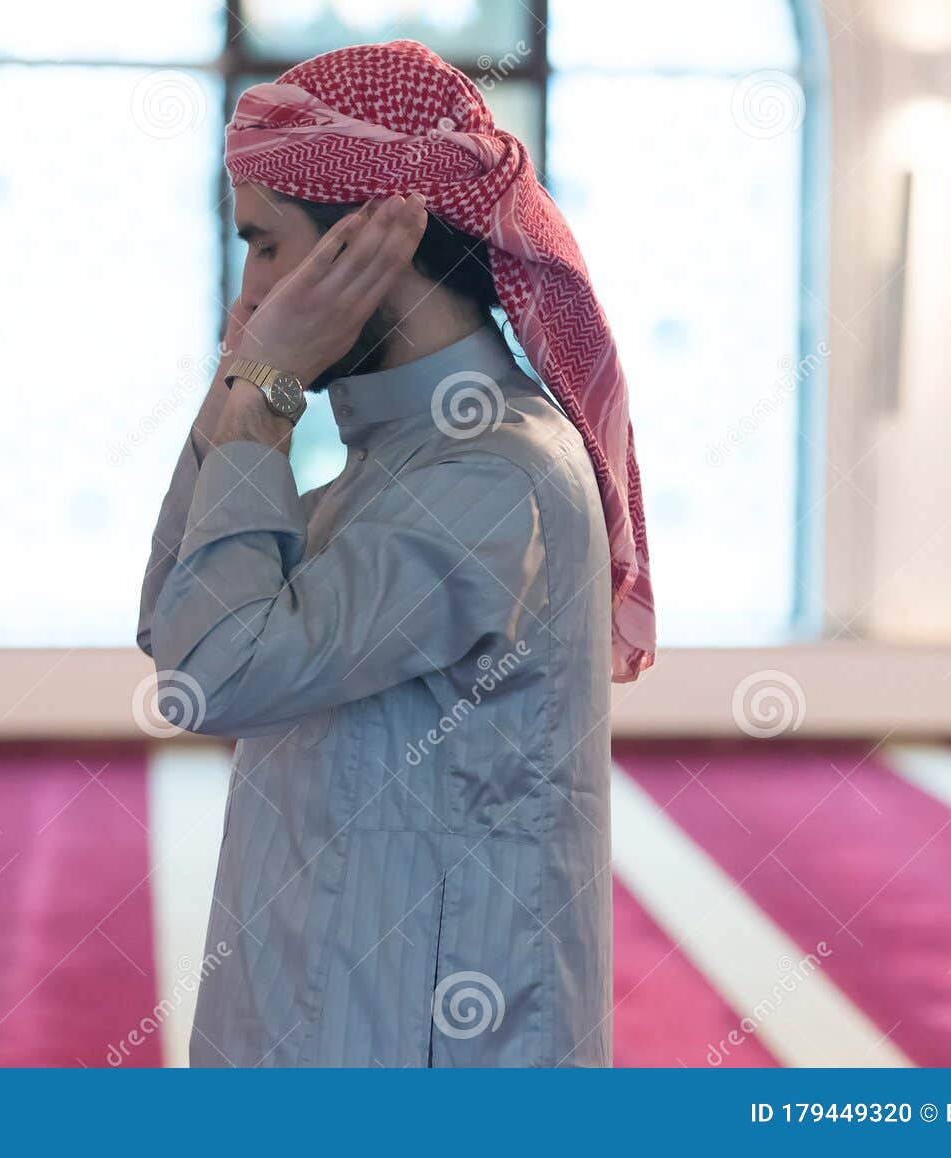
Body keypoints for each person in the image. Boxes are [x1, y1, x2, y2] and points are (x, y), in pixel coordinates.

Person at [136, 39, 655, 1067]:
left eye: (265, 245)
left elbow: (213, 676)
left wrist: (269, 390)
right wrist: (242, 386)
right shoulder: (402, 449)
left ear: (382, 233)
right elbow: (175, 621)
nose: (252, 293)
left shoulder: (490, 471)